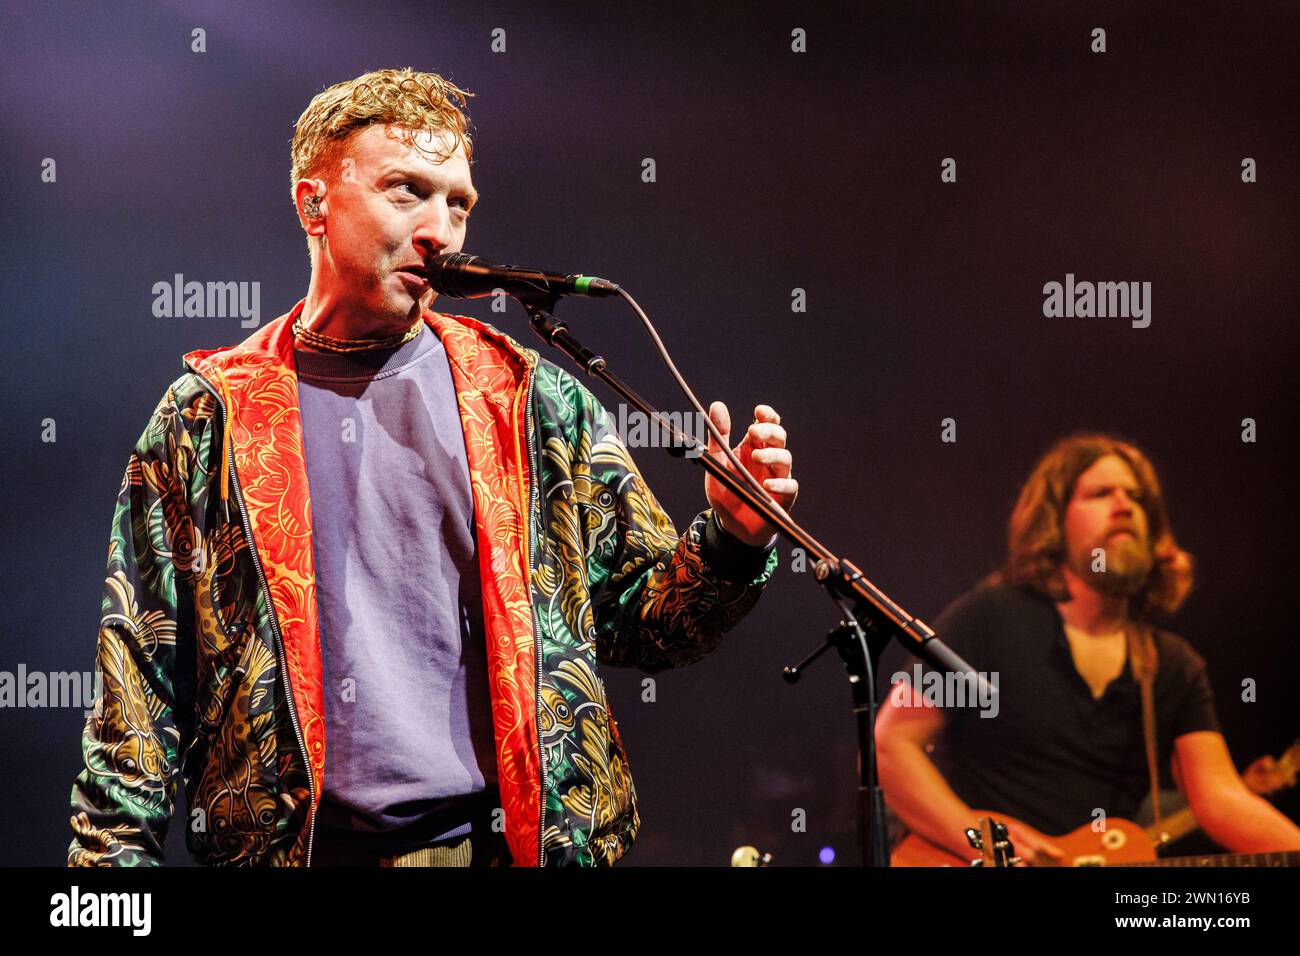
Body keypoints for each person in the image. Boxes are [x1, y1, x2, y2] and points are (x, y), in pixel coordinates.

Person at [68, 68, 797, 867]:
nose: (441, 232)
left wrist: (732, 538)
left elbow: (645, 622)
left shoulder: (525, 398)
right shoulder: (208, 417)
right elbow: (137, 680)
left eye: (459, 203)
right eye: (406, 191)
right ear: (314, 204)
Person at [875, 433, 1300, 864]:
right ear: (1054, 522)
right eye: (1101, 493)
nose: (1124, 506)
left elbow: (1222, 798)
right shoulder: (989, 619)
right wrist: (974, 835)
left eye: (1136, 497)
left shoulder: (1172, 667)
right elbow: (891, 744)